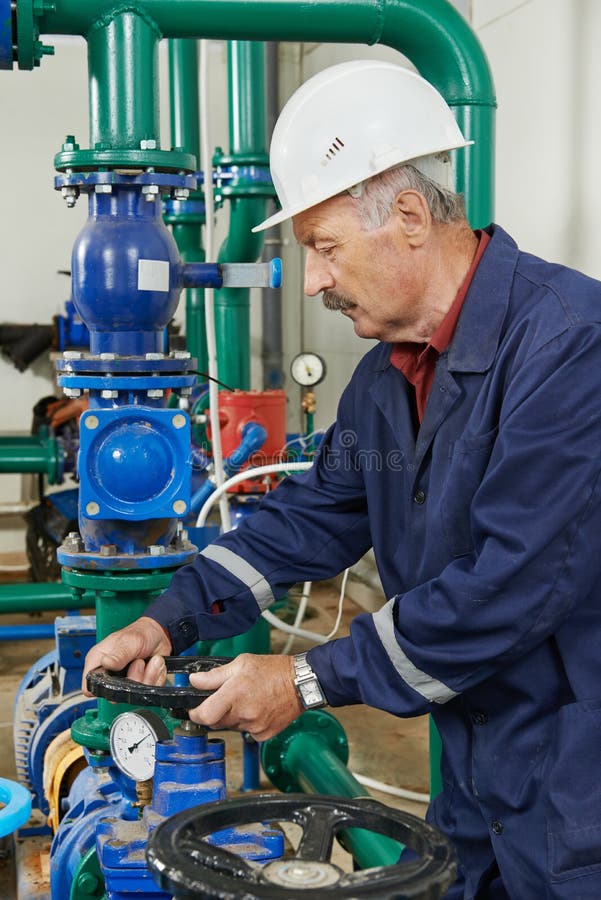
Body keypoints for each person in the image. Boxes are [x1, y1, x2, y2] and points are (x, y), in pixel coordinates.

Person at [83, 60, 601, 898]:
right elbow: (310, 517)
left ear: (405, 217)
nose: (313, 279)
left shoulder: (570, 347)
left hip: (579, 782)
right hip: (478, 773)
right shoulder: (387, 376)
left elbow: (514, 585)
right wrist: (168, 621)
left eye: (323, 249)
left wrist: (303, 677)